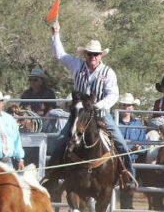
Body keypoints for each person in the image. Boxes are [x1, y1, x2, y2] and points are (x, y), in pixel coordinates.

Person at [49, 21, 135, 186]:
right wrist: (56, 34)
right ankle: (52, 175)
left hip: (101, 116)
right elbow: (60, 54)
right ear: (85, 55)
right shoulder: (77, 65)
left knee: (121, 144)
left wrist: (99, 105)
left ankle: (128, 175)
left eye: (96, 54)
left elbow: (113, 94)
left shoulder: (108, 73)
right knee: (61, 140)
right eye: (90, 54)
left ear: (101, 55)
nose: (93, 57)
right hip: (79, 116)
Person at [116, 93, 146, 212]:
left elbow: (144, 146)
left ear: (133, 107)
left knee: (127, 194)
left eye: (128, 105)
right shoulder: (114, 123)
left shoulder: (137, 124)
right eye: (123, 105)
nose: (126, 107)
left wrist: (138, 148)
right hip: (115, 162)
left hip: (130, 164)